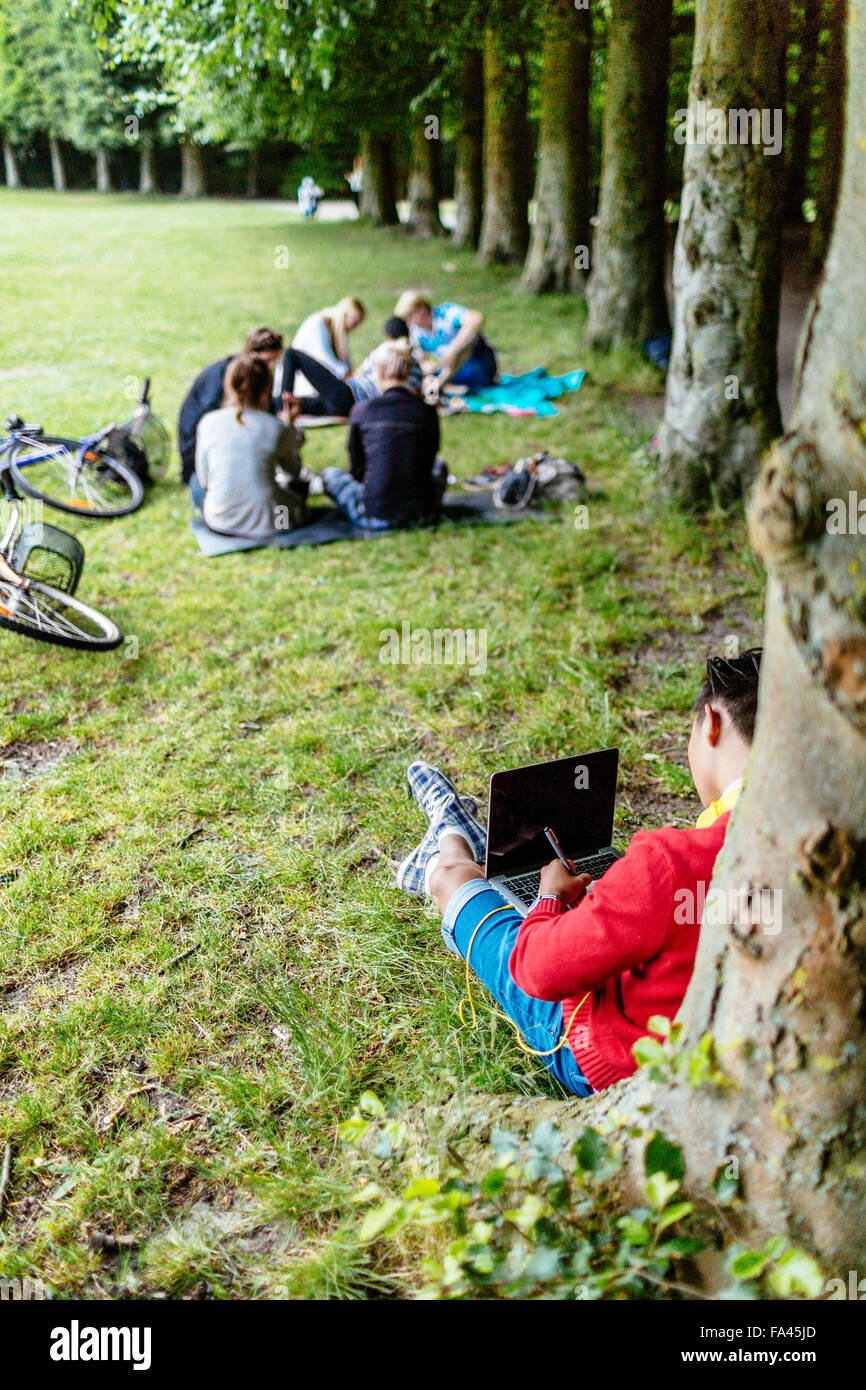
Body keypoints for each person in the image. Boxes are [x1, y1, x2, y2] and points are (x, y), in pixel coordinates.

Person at [394, 648, 762, 1096]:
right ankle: (460, 837)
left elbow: (535, 969)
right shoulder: (833, 848)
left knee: (454, 879)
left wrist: (548, 898)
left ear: (712, 723)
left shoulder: (670, 862)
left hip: (610, 1064)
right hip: (745, 1065)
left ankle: (445, 839)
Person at [320, 339, 446, 531]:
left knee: (330, 475)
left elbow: (357, 468)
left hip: (374, 513)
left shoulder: (362, 411)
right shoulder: (427, 412)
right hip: (421, 513)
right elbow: (430, 459)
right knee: (440, 465)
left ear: (378, 372)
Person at [193, 354, 307, 540]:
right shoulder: (277, 428)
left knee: (195, 485)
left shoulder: (208, 422)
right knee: (297, 496)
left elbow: (204, 479)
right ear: (267, 388)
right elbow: (293, 472)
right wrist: (290, 427)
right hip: (275, 524)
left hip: (220, 522)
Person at [177, 327, 284, 485]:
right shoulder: (228, 375)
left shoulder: (258, 377)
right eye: (268, 361)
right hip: (196, 445)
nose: (271, 366)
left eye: (275, 361)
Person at [394, 291, 498, 391]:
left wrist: (453, 351)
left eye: (410, 317)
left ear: (421, 309)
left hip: (477, 363)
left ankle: (444, 385)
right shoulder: (417, 332)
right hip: (449, 370)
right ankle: (443, 386)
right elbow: (420, 360)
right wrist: (426, 366)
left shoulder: (445, 313)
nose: (409, 323)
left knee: (468, 341)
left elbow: (476, 319)